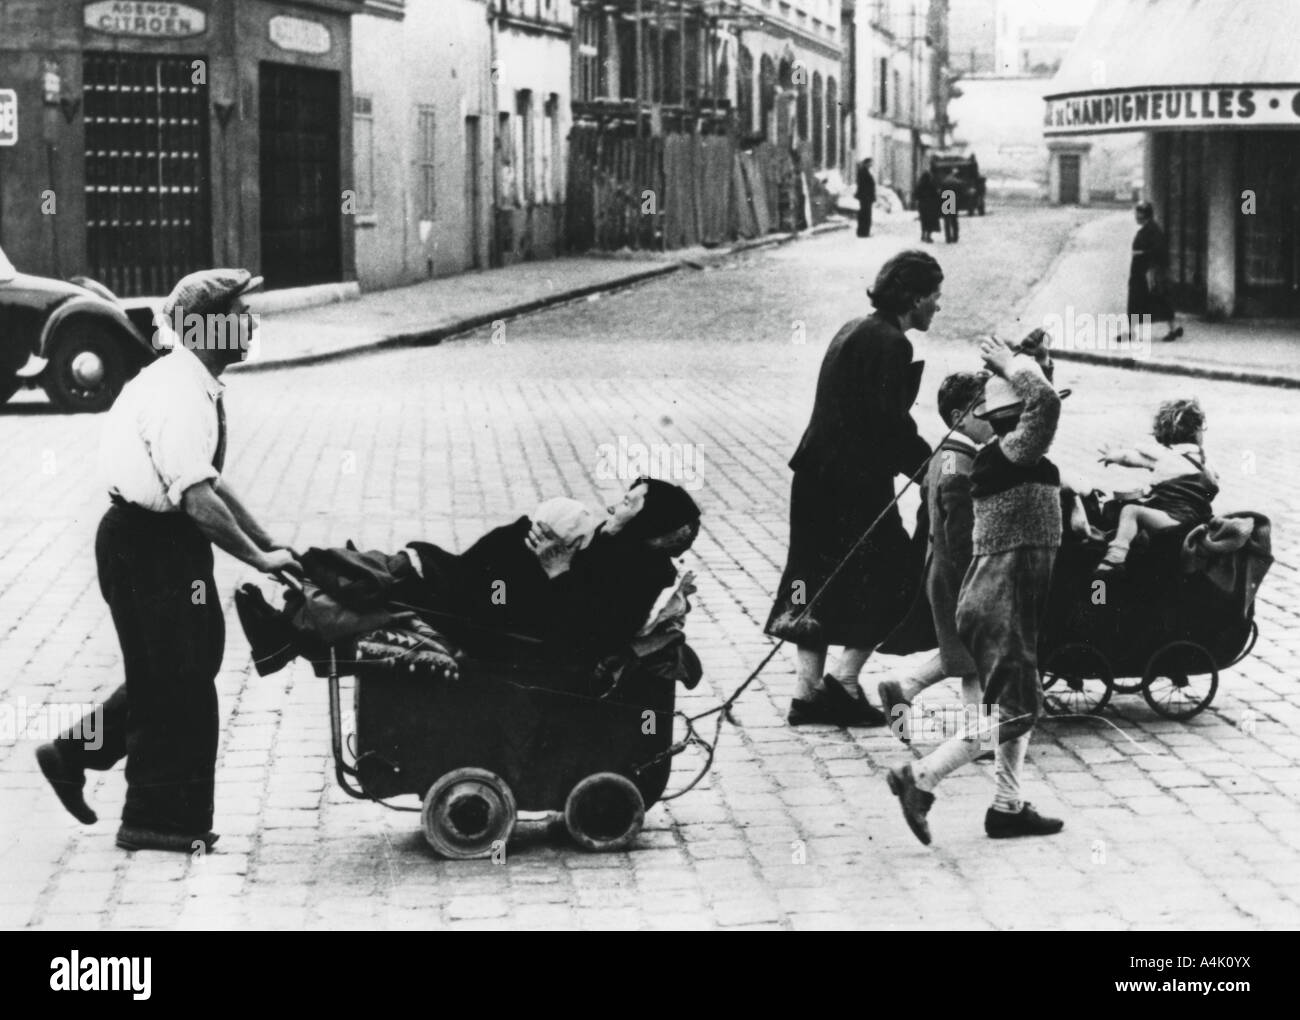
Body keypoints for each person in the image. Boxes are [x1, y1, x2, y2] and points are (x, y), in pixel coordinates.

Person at [36, 269, 299, 854]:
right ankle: (156, 820)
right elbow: (199, 501)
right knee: (175, 683)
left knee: (187, 660)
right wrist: (256, 557)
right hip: (145, 545)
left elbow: (212, 484)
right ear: (203, 327)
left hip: (164, 543)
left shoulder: (193, 382)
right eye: (240, 312)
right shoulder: (181, 394)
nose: (251, 323)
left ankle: (73, 752)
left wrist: (269, 546)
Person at [887, 336, 1067, 844]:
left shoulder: (1006, 454)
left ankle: (1007, 807)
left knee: (1017, 702)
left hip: (1001, 597)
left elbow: (1042, 399)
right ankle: (921, 777)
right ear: (1020, 421)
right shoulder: (1013, 453)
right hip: (1001, 598)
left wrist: (1030, 359)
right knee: (1018, 711)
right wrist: (1013, 365)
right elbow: (1046, 402)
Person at [767, 250, 940, 727]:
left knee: (816, 580)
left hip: (816, 480)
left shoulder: (856, 329)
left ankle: (806, 696)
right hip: (852, 486)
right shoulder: (890, 343)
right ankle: (841, 685)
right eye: (935, 297)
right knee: (897, 574)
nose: (938, 307)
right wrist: (929, 468)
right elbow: (889, 425)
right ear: (915, 297)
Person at [878, 371, 992, 741]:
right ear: (961, 414)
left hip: (939, 571)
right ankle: (978, 736)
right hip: (959, 576)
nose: (994, 419)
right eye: (985, 411)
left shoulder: (944, 453)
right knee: (975, 658)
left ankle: (905, 688)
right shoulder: (959, 468)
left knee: (964, 653)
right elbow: (962, 537)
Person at [1095, 397, 1218, 575]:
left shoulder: (1165, 455)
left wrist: (1111, 455)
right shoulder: (1207, 462)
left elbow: (1129, 458)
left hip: (1172, 522)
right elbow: (1213, 484)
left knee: (1131, 511)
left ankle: (1115, 556)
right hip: (1197, 523)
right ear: (1197, 431)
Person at [1127, 201, 1183, 344]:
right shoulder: (1149, 229)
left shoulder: (1152, 230)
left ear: (1143, 214)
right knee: (1137, 302)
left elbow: (1158, 251)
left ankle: (1172, 329)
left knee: (1159, 301)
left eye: (1138, 213)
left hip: (1146, 274)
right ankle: (1132, 331)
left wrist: (1141, 254)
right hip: (1140, 274)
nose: (1135, 216)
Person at [915, 170, 941, 244]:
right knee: (930, 221)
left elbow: (916, 195)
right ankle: (928, 236)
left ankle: (923, 235)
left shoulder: (919, 185)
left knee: (924, 221)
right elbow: (936, 195)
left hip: (922, 206)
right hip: (930, 206)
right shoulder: (931, 185)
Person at [856, 157, 877, 238]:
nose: (871, 165)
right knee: (865, 214)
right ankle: (863, 232)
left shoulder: (864, 171)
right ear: (866, 163)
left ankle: (863, 231)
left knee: (865, 214)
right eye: (870, 163)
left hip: (866, 197)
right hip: (865, 197)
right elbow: (864, 185)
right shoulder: (863, 172)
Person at [939, 170, 962, 243]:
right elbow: (960, 193)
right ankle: (955, 237)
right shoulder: (957, 182)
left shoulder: (944, 182)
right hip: (954, 202)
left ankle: (948, 237)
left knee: (947, 221)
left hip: (946, 203)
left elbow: (941, 193)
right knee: (954, 221)